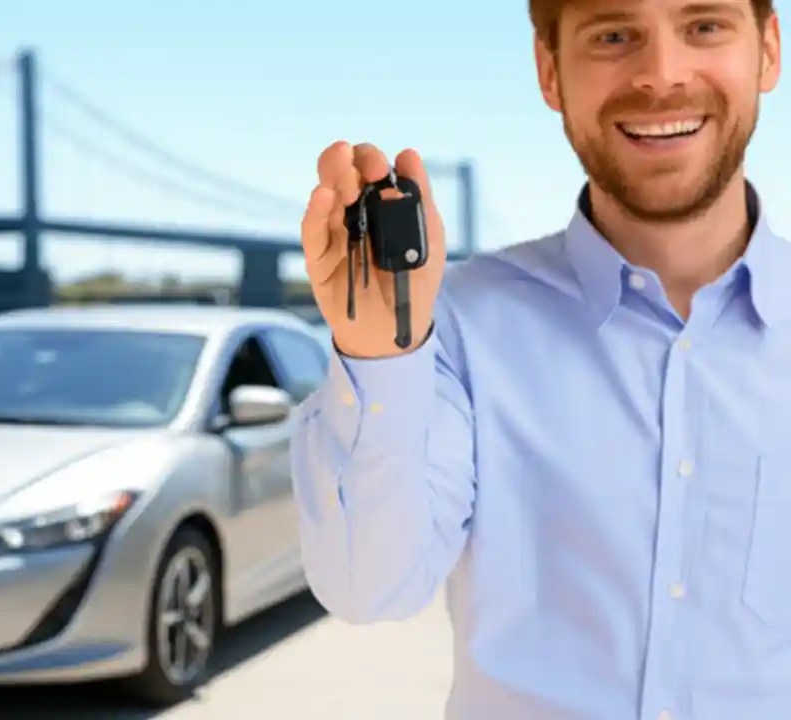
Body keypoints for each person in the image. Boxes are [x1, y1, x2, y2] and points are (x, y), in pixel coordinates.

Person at [292, 0, 788, 717]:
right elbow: (370, 588)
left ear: (768, 52)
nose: (661, 75)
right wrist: (380, 355)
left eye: (704, 25)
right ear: (550, 72)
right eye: (614, 35)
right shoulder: (456, 324)